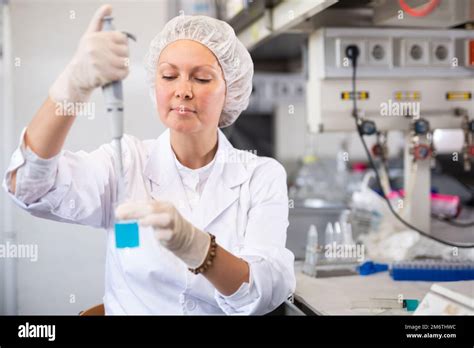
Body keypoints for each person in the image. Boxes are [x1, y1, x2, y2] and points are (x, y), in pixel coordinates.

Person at [3, 4, 295, 315]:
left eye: (202, 78)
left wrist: (200, 250)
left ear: (231, 90)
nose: (182, 90)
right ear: (155, 85)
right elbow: (28, 187)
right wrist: (73, 84)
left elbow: (265, 293)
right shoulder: (125, 162)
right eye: (169, 75)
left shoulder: (260, 177)